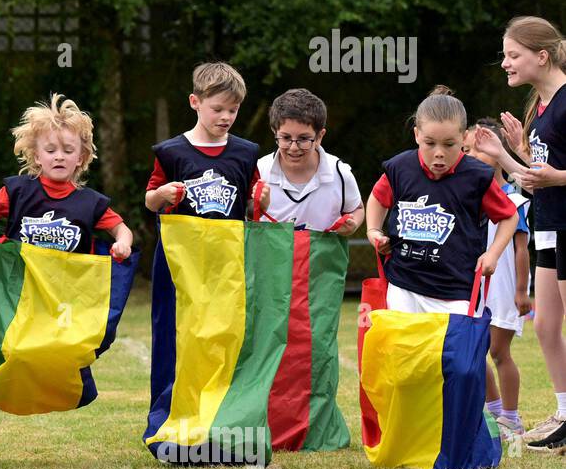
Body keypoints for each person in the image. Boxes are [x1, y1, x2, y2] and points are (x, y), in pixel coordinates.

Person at [470, 16, 566, 451]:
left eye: (513, 55)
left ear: (541, 56)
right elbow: (533, 180)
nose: (505, 64)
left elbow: (553, 177)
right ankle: (564, 413)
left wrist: (556, 177)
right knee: (546, 326)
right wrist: (506, 156)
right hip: (550, 227)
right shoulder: (540, 108)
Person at [364, 87, 517, 314]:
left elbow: (509, 215)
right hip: (402, 284)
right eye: (429, 143)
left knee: (446, 350)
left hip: (454, 291)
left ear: (464, 138)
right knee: (405, 349)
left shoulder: (477, 177)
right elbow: (378, 197)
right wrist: (373, 230)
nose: (439, 153)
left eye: (449, 144)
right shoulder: (400, 168)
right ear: (416, 135)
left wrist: (492, 254)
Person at [0, 94, 133, 259]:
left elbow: (122, 230)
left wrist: (123, 244)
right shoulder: (18, 191)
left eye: (68, 150)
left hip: (69, 286)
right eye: (50, 150)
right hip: (20, 285)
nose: (59, 156)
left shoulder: (91, 202)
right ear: (37, 156)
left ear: (80, 158)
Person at [466, 118, 531, 437]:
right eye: (470, 149)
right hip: (477, 287)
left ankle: (511, 416)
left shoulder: (515, 197)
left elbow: (521, 249)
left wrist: (522, 291)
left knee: (498, 351)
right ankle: (492, 412)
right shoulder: (468, 196)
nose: (475, 155)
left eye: (482, 149)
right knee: (475, 351)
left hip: (503, 287)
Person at [144, 62, 271, 220]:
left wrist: (262, 202)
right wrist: (161, 194)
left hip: (230, 244)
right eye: (217, 109)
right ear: (194, 102)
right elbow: (150, 203)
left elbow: (250, 212)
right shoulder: (170, 152)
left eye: (233, 110)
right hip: (183, 243)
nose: (226, 117)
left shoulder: (246, 152)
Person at [258, 88, 363, 234]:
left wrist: (353, 224)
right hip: (271, 256)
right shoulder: (259, 170)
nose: (294, 147)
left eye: (303, 139)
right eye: (286, 138)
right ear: (274, 132)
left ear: (320, 136)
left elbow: (357, 208)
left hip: (322, 256)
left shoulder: (339, 172)